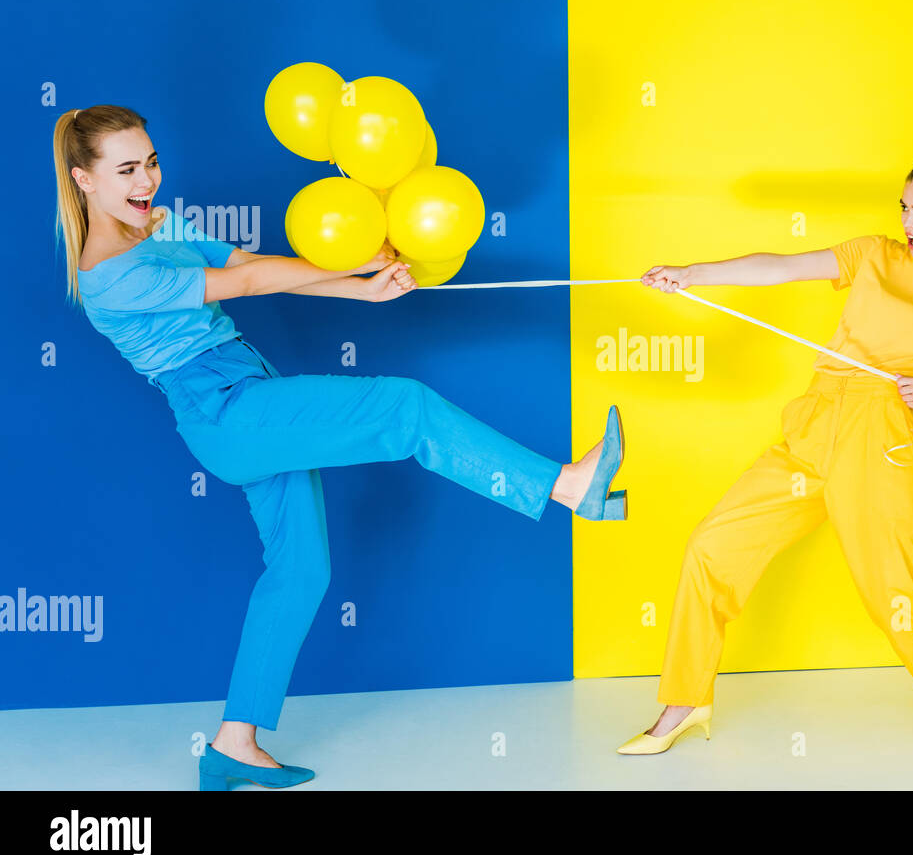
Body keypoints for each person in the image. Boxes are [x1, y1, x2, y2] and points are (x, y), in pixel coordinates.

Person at [54, 105, 627, 790]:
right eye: (127, 169)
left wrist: (363, 289)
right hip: (227, 412)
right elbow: (243, 284)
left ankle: (233, 744)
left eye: (150, 161)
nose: (147, 178)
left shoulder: (157, 224)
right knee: (405, 407)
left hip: (249, 389)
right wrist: (350, 260)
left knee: (300, 571)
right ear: (84, 179)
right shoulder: (107, 275)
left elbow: (240, 259)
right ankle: (566, 486)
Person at [622, 154, 913, 754]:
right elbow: (780, 267)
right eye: (905, 207)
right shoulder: (876, 254)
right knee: (711, 544)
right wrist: (691, 274)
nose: (910, 221)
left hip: (882, 437)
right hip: (818, 416)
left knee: (890, 590)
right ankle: (685, 699)